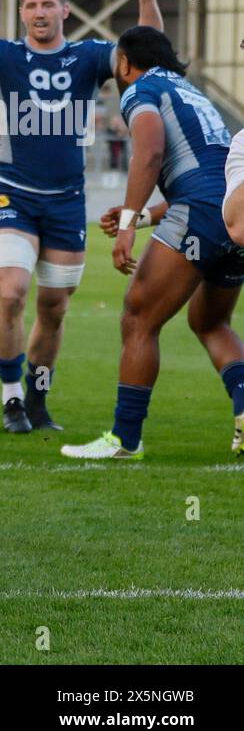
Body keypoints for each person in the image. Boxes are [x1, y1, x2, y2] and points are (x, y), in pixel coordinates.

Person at [0, 0, 162, 433]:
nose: (38, 11)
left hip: (68, 201)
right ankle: (11, 398)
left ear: (65, 11)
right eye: (30, 4)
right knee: (11, 292)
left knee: (54, 307)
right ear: (22, 13)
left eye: (47, 3)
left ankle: (37, 398)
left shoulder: (90, 57)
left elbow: (146, 53)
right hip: (14, 194)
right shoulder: (3, 56)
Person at [62, 28, 244, 459]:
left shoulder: (141, 89)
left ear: (124, 62)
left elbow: (150, 153)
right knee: (210, 323)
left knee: (138, 319)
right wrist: (145, 216)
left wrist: (126, 224)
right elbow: (209, 176)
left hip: (200, 213)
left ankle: (125, 440)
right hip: (233, 216)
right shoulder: (192, 92)